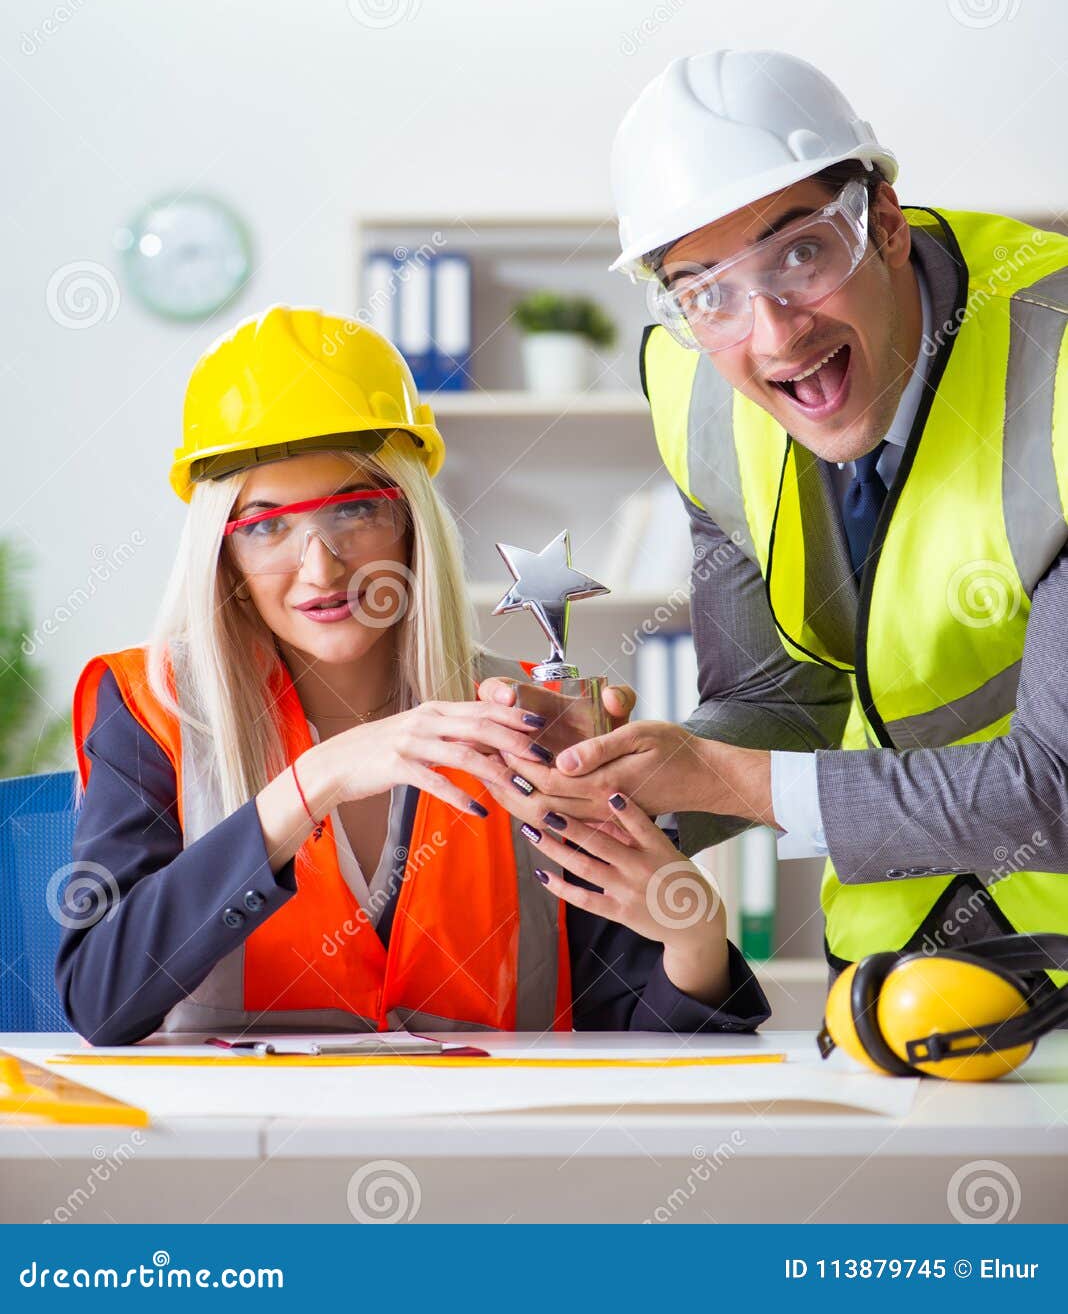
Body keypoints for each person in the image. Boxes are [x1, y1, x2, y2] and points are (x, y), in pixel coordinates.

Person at [480, 48, 1068, 977]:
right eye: (706, 291)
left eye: (802, 252)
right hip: (892, 974)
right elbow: (782, 702)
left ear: (884, 223)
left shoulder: (1059, 366)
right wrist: (620, 778)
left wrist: (725, 776)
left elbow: (1059, 785)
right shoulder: (701, 401)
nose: (775, 332)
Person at [57, 304, 769, 1044]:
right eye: (265, 525)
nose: (321, 568)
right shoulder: (150, 706)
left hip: (489, 1118)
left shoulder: (526, 716)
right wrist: (317, 779)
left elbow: (632, 1032)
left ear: (411, 526)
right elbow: (101, 1000)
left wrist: (693, 934)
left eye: (355, 510)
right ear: (224, 557)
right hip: (227, 1120)